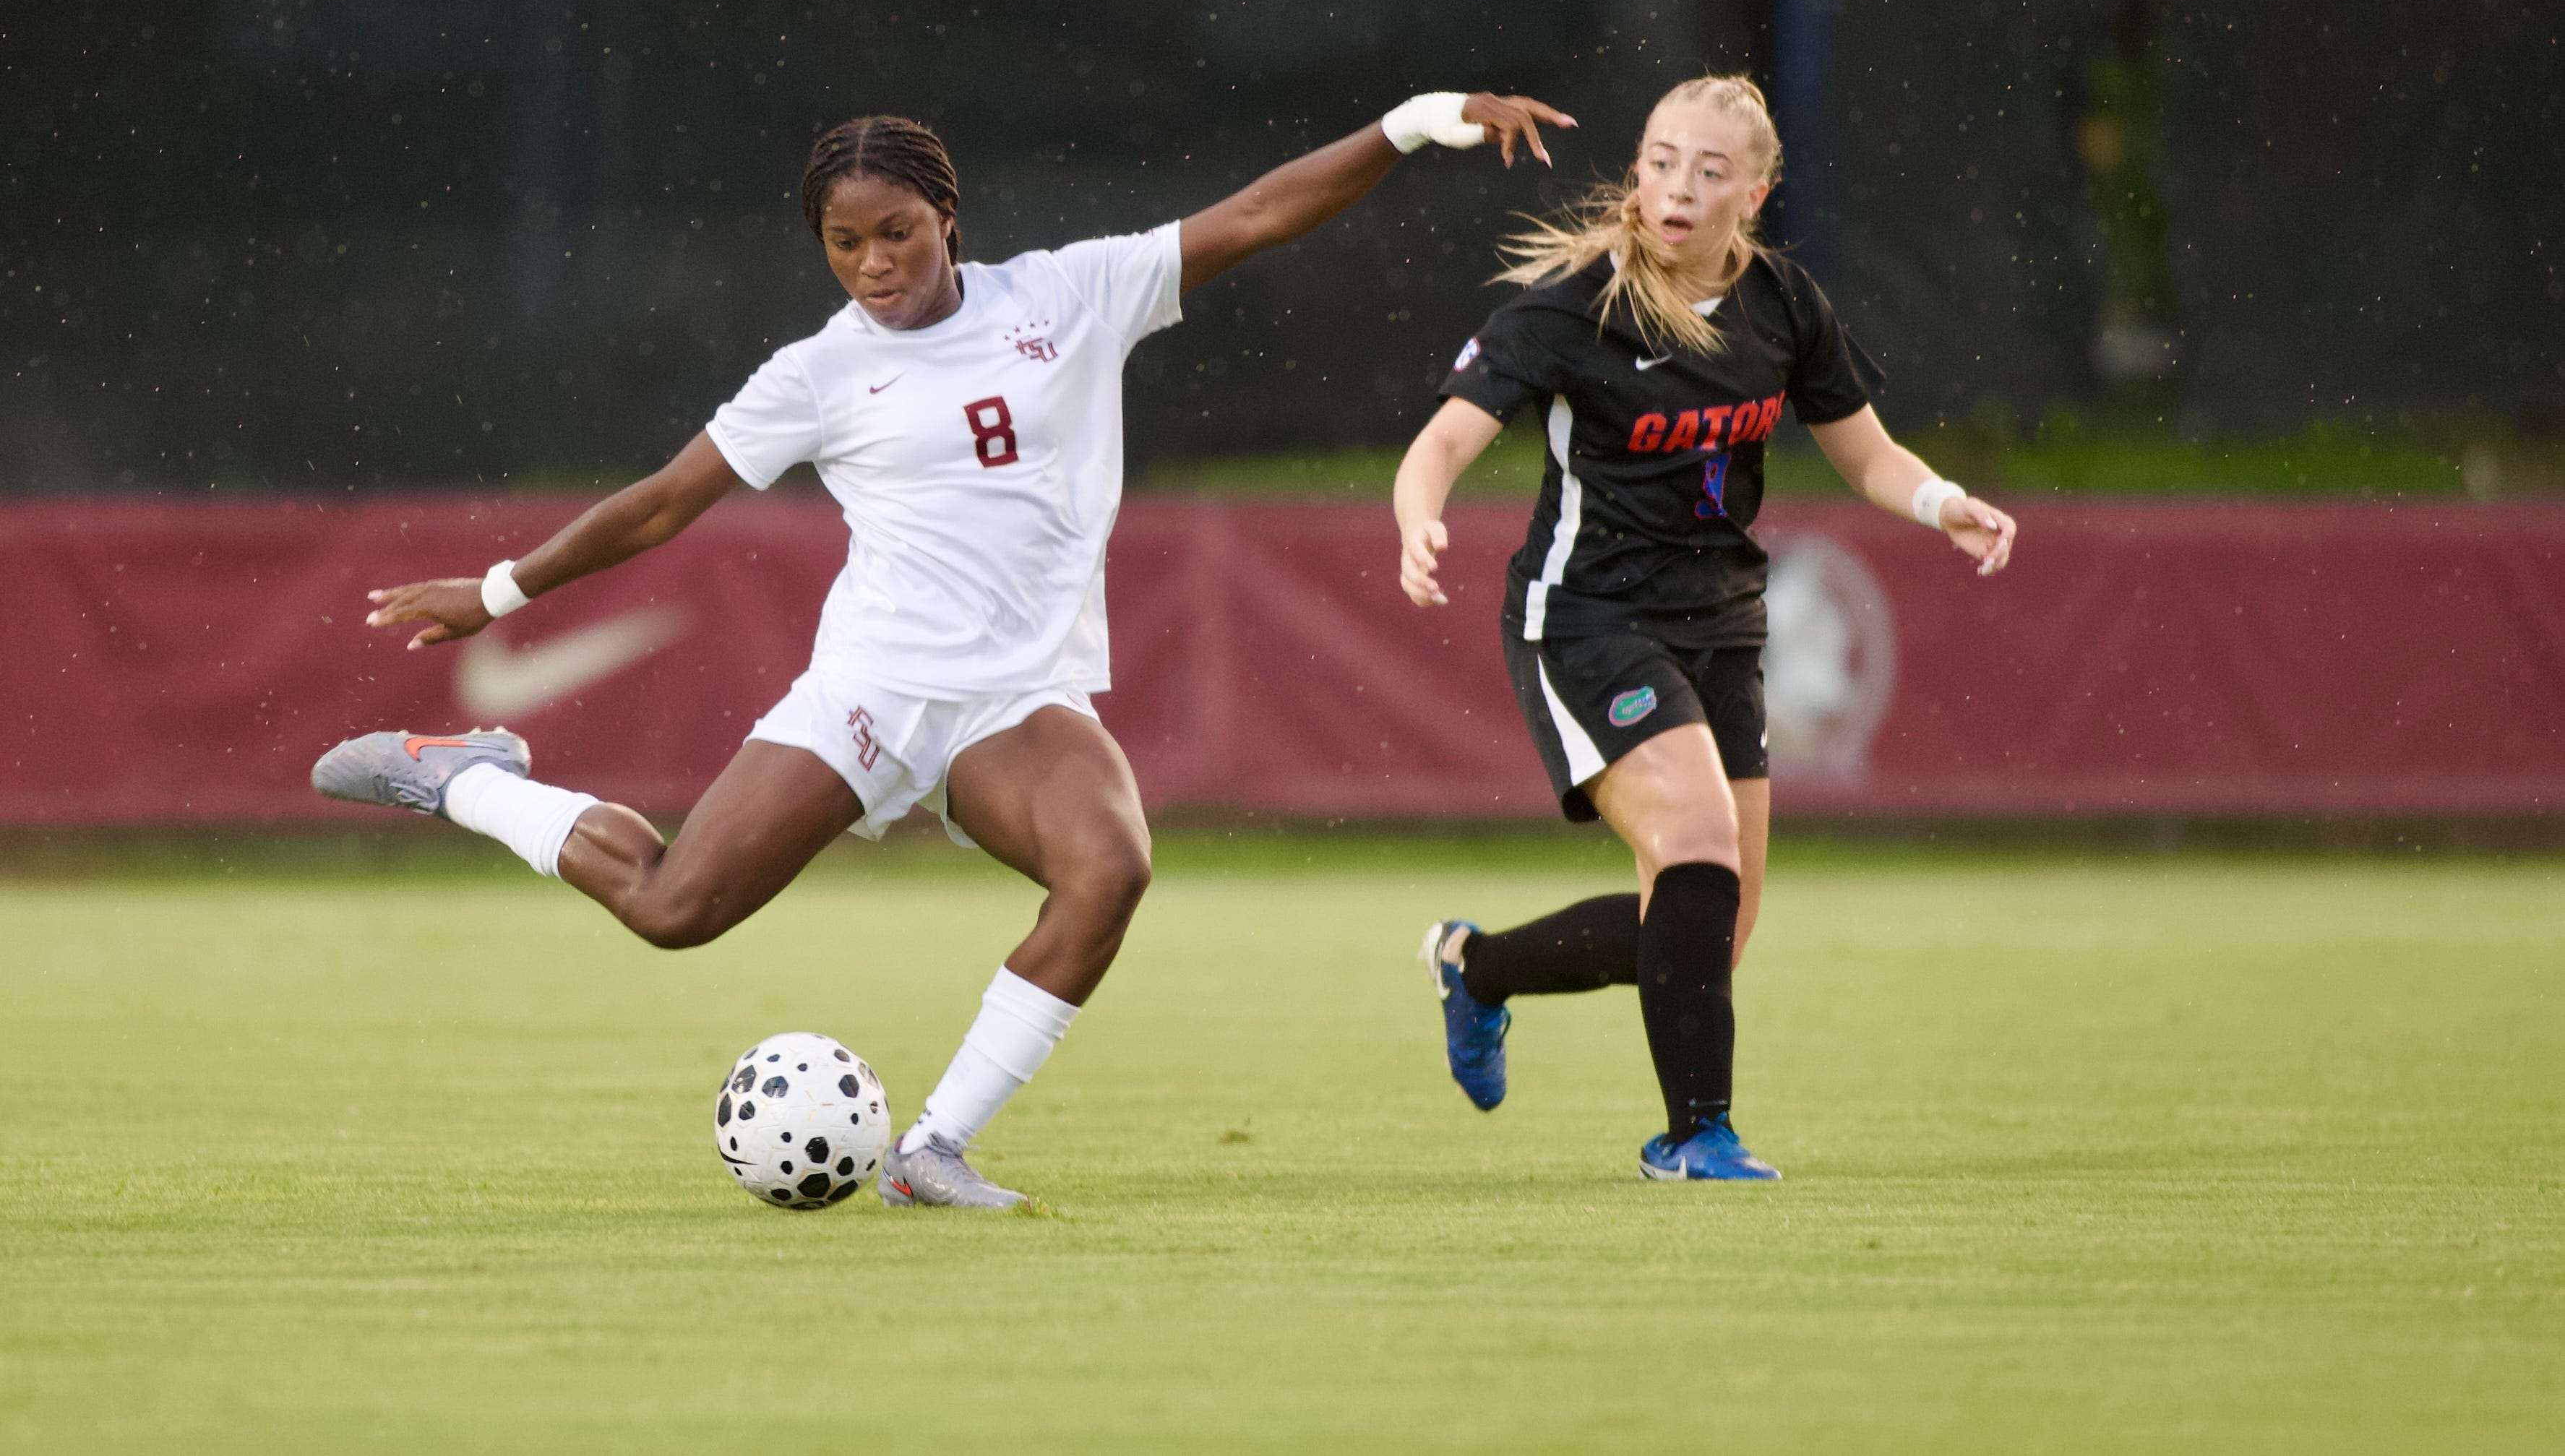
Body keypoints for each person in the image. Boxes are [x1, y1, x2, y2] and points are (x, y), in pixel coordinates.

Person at [315, 92, 1573, 1209]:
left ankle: (933, 1148)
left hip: (1015, 699)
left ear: (948, 217)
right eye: (844, 242)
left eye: (896, 232)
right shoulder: (814, 374)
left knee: (1110, 868)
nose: (873, 264)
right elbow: (660, 501)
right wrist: (498, 587)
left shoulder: (1069, 293)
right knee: (671, 907)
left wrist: (1411, 122)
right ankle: (467, 774)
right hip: (871, 686)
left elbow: (1255, 214)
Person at [1391, 73, 2016, 1181]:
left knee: (1705, 930)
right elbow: (1442, 441)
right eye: (1661, 159)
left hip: (1720, 625)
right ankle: (1695, 1137)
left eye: (1710, 170)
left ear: (1756, 193)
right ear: (1636, 169)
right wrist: (1416, 520)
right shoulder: (1575, 304)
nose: (1678, 187)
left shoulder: (1782, 302)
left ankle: (1476, 967)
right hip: (1585, 619)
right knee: (1693, 846)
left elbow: (1866, 453)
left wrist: (1942, 502)